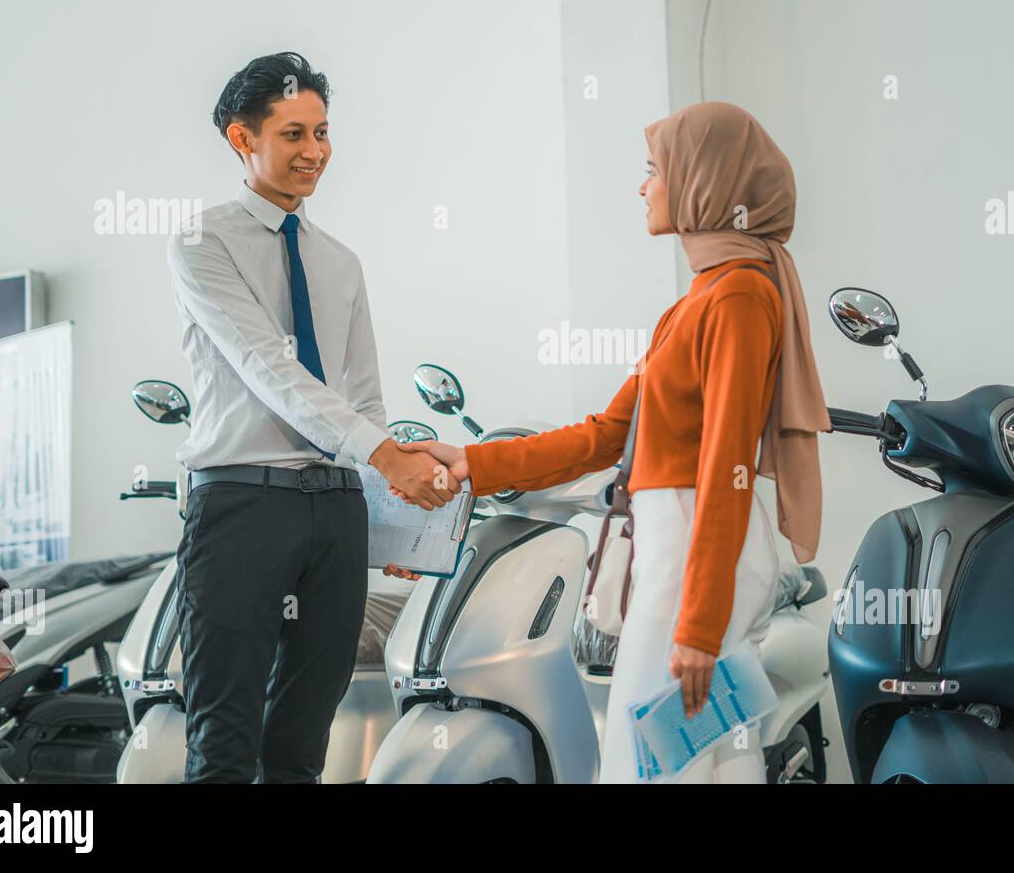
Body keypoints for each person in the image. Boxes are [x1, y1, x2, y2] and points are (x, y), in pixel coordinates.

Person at [393, 101, 831, 783]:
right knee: (685, 759)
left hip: (697, 545)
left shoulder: (739, 295)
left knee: (675, 761)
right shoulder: (697, 300)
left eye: (654, 170)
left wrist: (700, 626)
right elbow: (608, 434)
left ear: (702, 181)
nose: (642, 186)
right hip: (675, 545)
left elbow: (725, 469)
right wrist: (474, 462)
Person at [167, 52, 458, 783]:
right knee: (224, 743)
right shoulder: (202, 243)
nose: (316, 152)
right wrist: (387, 456)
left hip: (334, 511)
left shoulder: (340, 262)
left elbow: (365, 400)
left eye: (323, 133)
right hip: (241, 504)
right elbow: (269, 367)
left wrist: (390, 513)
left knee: (301, 746)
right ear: (243, 138)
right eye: (294, 134)